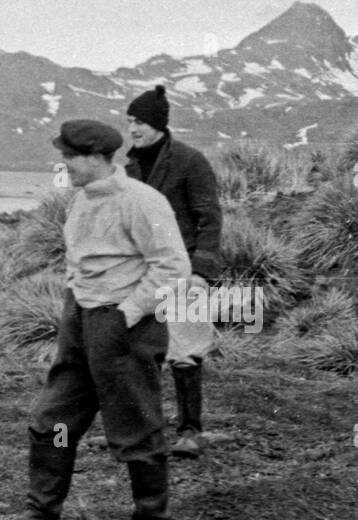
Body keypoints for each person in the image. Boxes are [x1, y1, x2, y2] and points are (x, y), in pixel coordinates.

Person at [0, 120, 190, 520]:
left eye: (70, 157)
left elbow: (173, 267)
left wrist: (128, 313)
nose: (64, 164)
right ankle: (39, 517)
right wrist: (76, 304)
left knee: (135, 419)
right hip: (80, 318)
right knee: (53, 418)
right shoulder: (82, 199)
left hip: (125, 325)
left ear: (98, 158)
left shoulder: (142, 201)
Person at [124, 85, 223, 459]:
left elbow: (209, 219)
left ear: (159, 124)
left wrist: (201, 272)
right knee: (136, 348)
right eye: (130, 121)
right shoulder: (130, 165)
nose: (133, 129)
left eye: (141, 121)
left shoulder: (190, 161)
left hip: (184, 269)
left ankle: (190, 430)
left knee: (185, 348)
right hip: (142, 270)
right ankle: (140, 429)